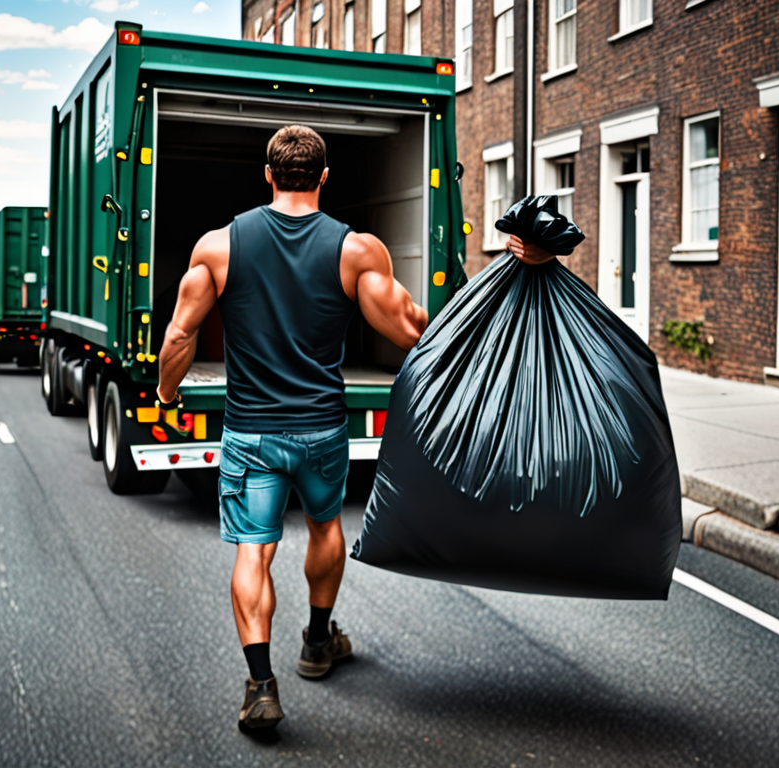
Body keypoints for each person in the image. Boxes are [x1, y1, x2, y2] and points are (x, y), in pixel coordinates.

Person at [156, 124, 554, 731]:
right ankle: (318, 641)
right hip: (321, 430)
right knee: (323, 527)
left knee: (252, 552)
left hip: (252, 432)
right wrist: (507, 277)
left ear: (266, 175)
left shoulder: (219, 247)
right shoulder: (356, 251)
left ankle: (261, 686)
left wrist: (166, 390)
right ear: (322, 177)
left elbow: (180, 334)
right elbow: (419, 328)